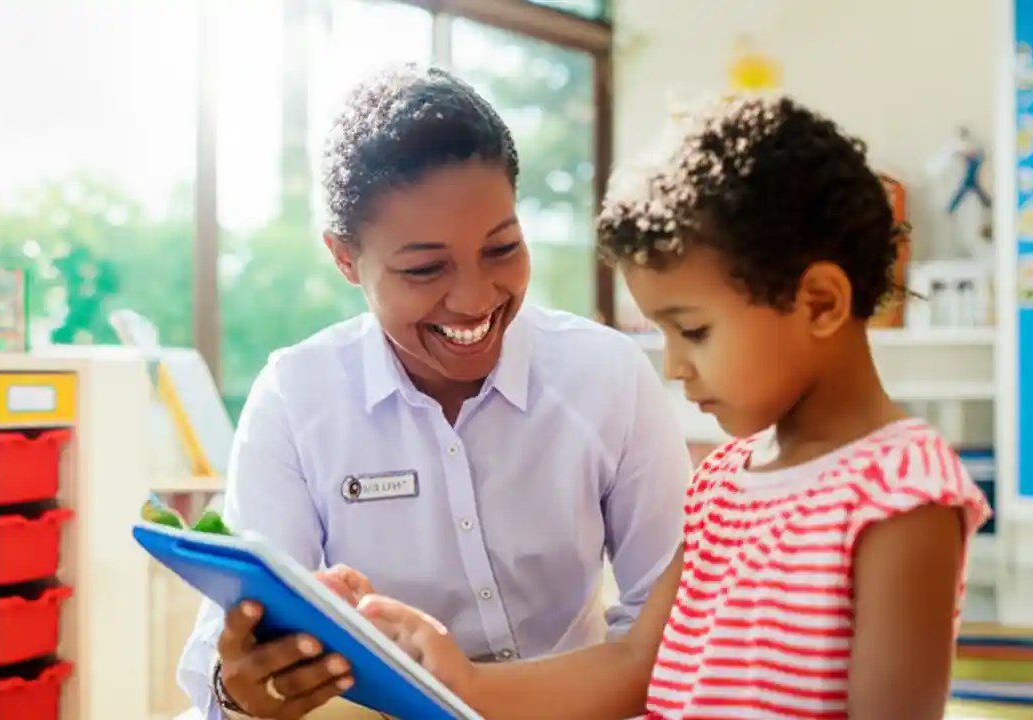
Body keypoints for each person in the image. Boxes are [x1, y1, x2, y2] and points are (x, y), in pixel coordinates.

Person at [358, 95, 992, 719]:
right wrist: (457, 678)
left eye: (692, 331)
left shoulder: (899, 495)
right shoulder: (724, 482)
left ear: (821, 303)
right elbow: (637, 663)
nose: (673, 366)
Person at [176, 64, 694, 719]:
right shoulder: (296, 398)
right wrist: (244, 689)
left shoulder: (606, 376)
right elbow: (227, 660)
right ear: (344, 258)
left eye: (502, 248)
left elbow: (675, 631)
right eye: (425, 268)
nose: (475, 298)